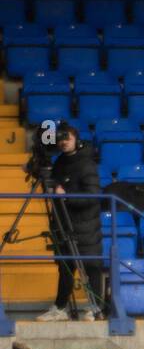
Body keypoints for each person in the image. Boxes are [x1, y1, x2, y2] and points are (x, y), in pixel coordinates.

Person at [36, 122, 108, 321]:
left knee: (90, 266)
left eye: (68, 138)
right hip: (64, 225)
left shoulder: (86, 164)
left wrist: (66, 196)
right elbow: (51, 179)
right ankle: (60, 308)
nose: (64, 142)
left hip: (85, 226)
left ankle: (95, 309)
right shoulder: (60, 162)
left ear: (76, 139)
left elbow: (93, 196)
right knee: (65, 267)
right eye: (61, 139)